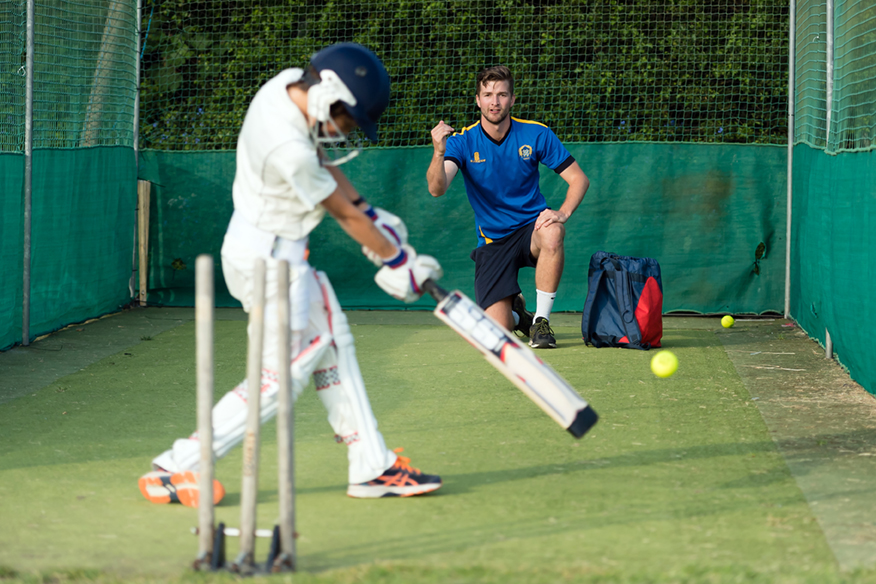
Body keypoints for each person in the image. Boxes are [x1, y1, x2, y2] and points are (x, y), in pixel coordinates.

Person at [139, 43, 444, 507]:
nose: (346, 132)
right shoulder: (286, 144)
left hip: (279, 252)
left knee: (334, 345)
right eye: (348, 120)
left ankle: (372, 466)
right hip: (268, 262)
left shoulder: (289, 84)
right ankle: (180, 464)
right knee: (279, 378)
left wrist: (370, 211)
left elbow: (330, 173)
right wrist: (395, 260)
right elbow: (339, 210)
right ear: (329, 95)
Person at [426, 66, 590, 349]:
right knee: (495, 332)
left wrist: (562, 213)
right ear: (477, 100)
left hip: (531, 229)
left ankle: (541, 321)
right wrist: (439, 152)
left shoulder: (536, 134)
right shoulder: (462, 142)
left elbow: (578, 179)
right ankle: (519, 314)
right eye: (488, 95)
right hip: (492, 241)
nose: (495, 102)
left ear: (512, 99)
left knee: (553, 231)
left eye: (502, 94)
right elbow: (437, 189)